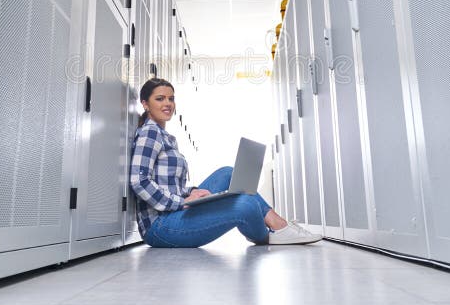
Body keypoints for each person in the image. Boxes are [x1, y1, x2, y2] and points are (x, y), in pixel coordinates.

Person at [129, 77, 322, 248]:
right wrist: (181, 201)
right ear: (145, 104)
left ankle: (279, 227)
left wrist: (191, 192)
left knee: (228, 173)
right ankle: (274, 232)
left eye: (171, 98)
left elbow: (166, 183)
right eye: (160, 98)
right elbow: (139, 181)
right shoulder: (150, 132)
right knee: (245, 205)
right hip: (160, 227)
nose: (168, 103)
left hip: (173, 213)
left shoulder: (166, 136)